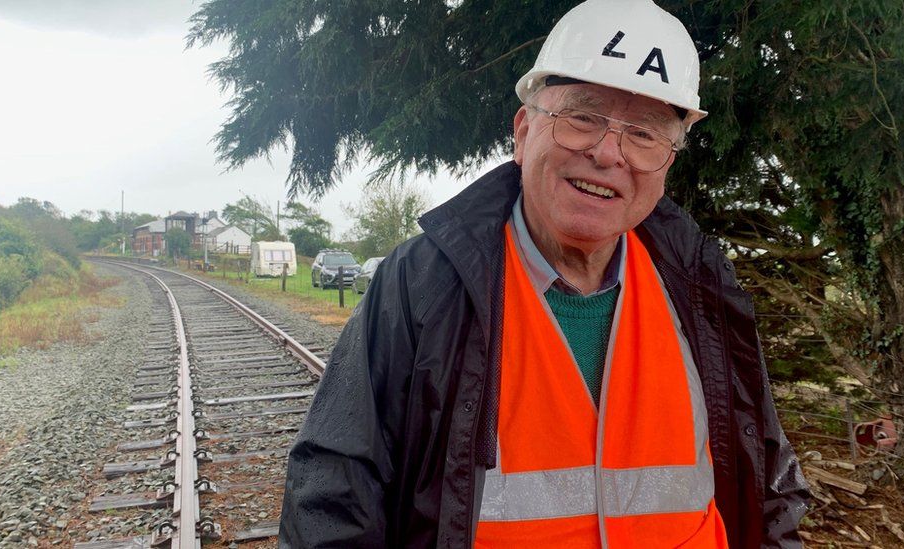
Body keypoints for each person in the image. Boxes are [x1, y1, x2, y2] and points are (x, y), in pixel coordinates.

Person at [279, 0, 810, 547]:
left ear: (668, 160)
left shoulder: (699, 286)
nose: (608, 154)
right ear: (523, 129)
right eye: (582, 117)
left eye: (645, 133)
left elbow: (764, 491)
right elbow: (335, 498)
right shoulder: (421, 284)